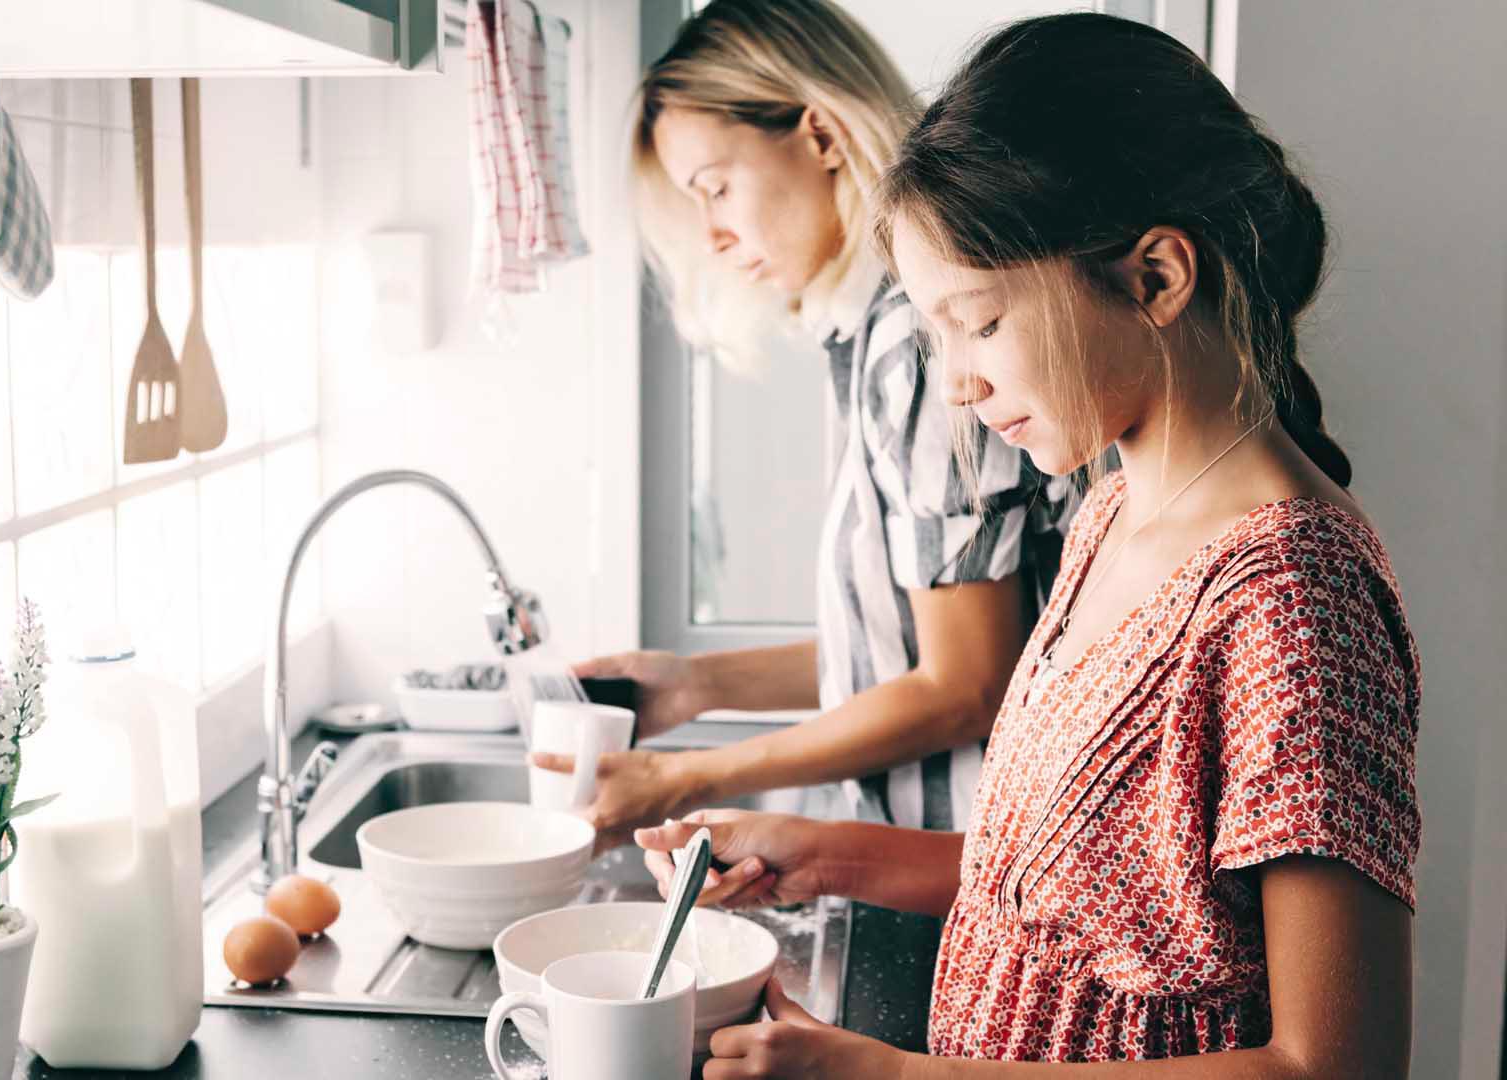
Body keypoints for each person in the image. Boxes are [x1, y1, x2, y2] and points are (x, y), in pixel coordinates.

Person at [638, 12, 1420, 1076]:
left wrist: (902, 1077)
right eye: (937, 333)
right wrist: (821, 855)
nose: (957, 382)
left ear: (1154, 278)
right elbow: (1061, 897)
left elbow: (1334, 1065)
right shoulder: (1109, 515)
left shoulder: (1295, 600)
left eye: (983, 323)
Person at [531, 0, 1075, 1046]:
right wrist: (697, 684)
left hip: (974, 876)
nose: (714, 234)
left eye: (716, 186)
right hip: (939, 872)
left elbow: (967, 684)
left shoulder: (917, 352)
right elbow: (908, 645)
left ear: (819, 132)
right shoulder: (870, 344)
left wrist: (690, 774)